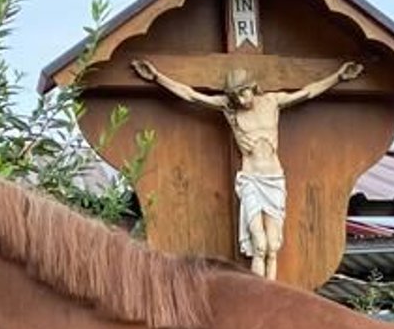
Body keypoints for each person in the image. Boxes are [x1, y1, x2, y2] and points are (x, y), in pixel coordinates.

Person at [130, 57, 363, 280]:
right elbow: (191, 95)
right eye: (236, 96)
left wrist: (338, 77)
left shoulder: (272, 102)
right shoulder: (229, 109)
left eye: (244, 92)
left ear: (252, 87)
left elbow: (308, 92)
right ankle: (257, 293)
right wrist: (157, 77)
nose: (242, 100)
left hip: (274, 178)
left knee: (273, 246)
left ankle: (271, 296)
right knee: (259, 245)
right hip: (251, 179)